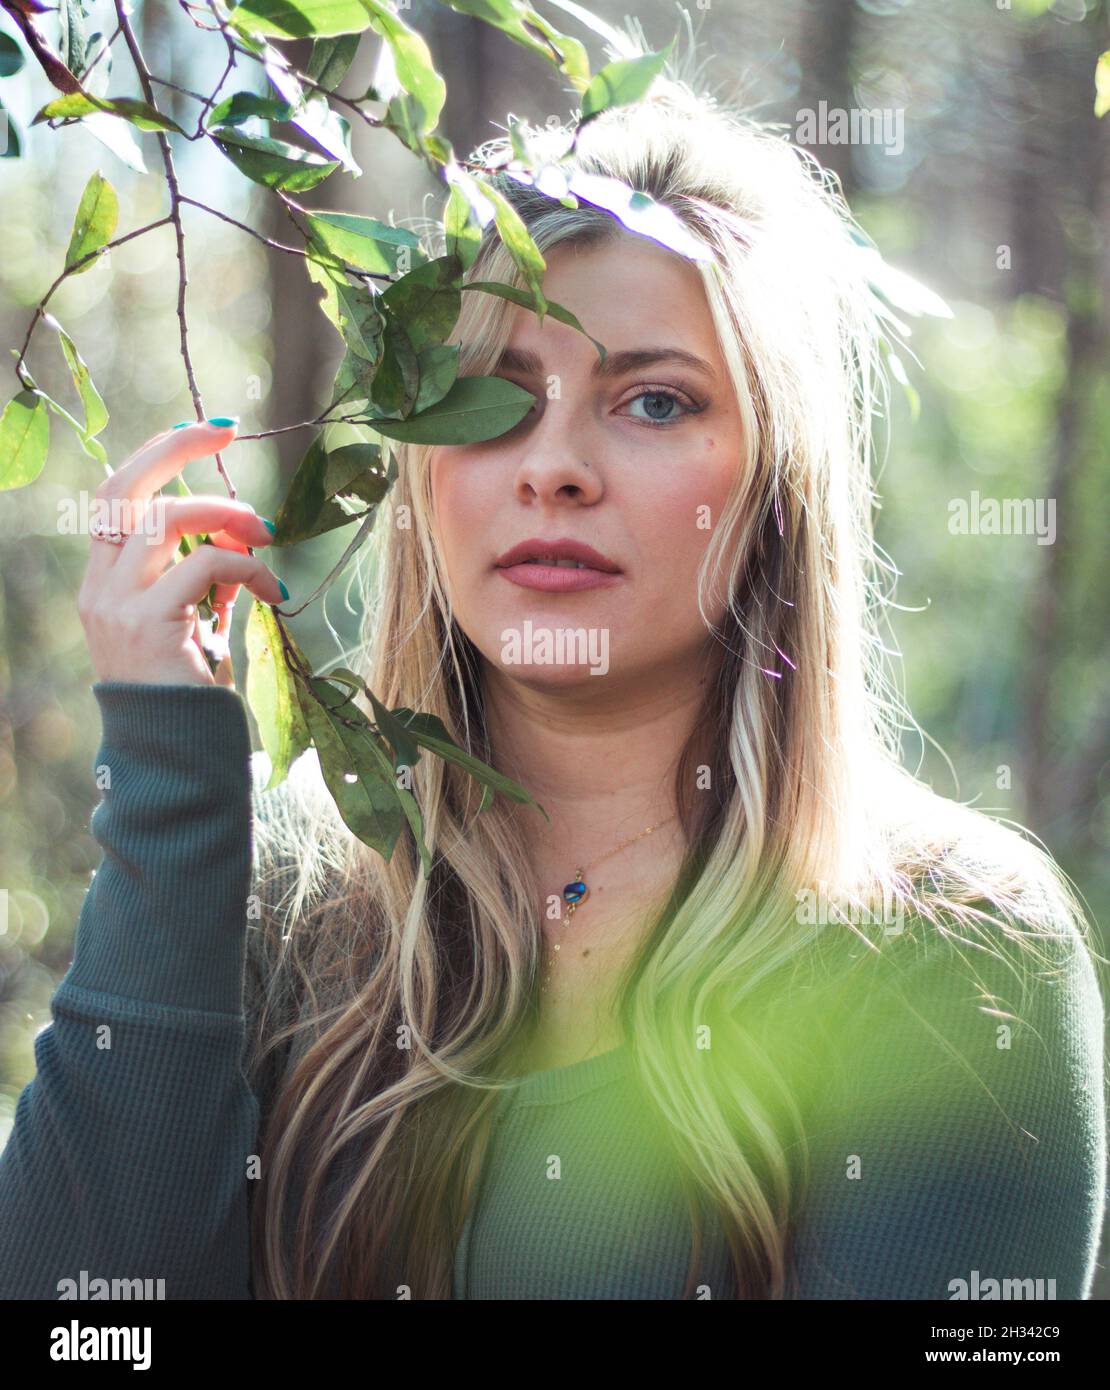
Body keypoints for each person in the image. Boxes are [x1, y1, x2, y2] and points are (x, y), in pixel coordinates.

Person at [0, 78, 1104, 1302]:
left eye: (653, 400)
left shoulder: (957, 955)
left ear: (777, 487)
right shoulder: (277, 900)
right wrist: (167, 782)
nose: (554, 468)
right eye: (496, 401)